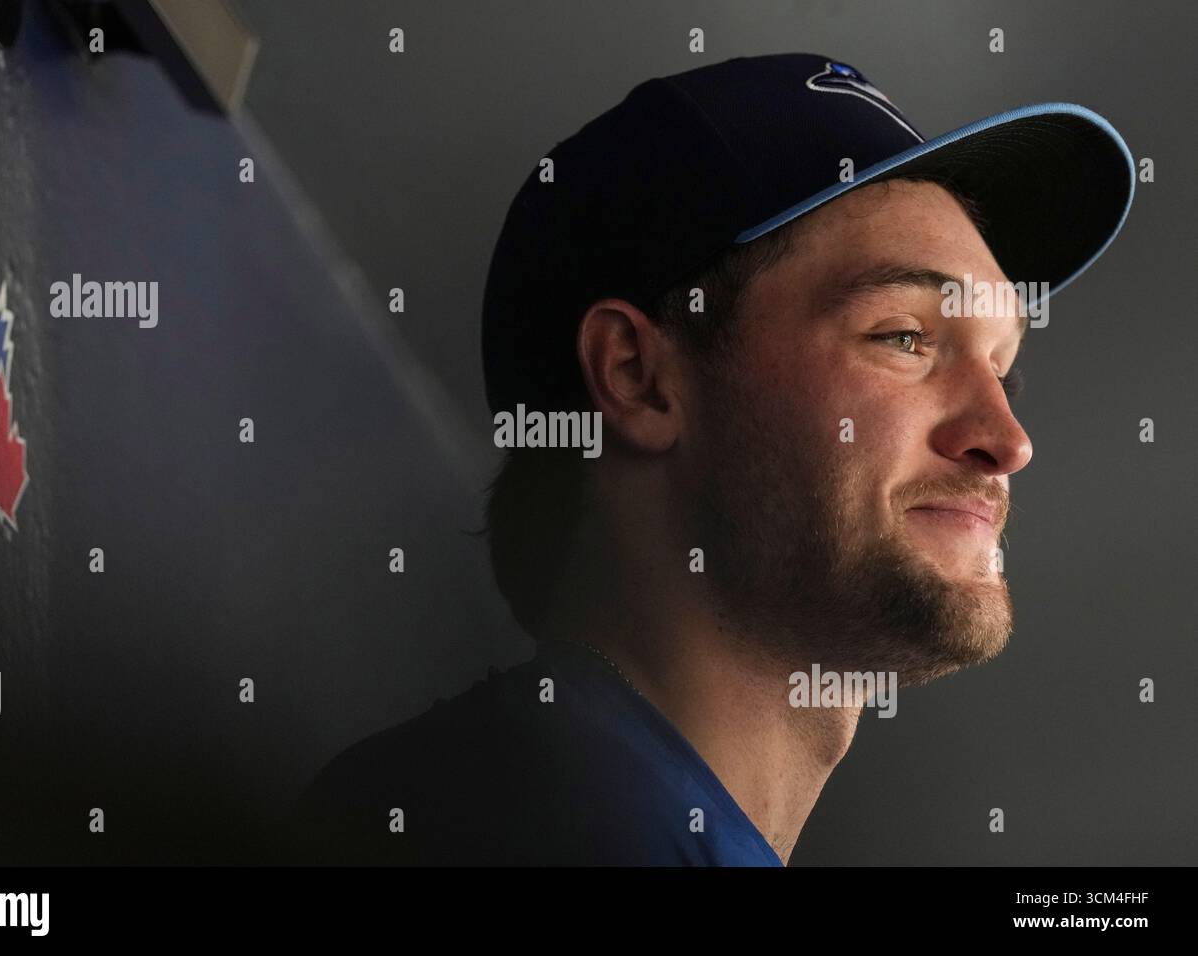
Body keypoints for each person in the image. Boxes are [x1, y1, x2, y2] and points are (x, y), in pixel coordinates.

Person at [288, 52, 1134, 865]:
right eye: (905, 337)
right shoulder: (506, 830)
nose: (1007, 440)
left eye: (1004, 367)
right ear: (639, 378)